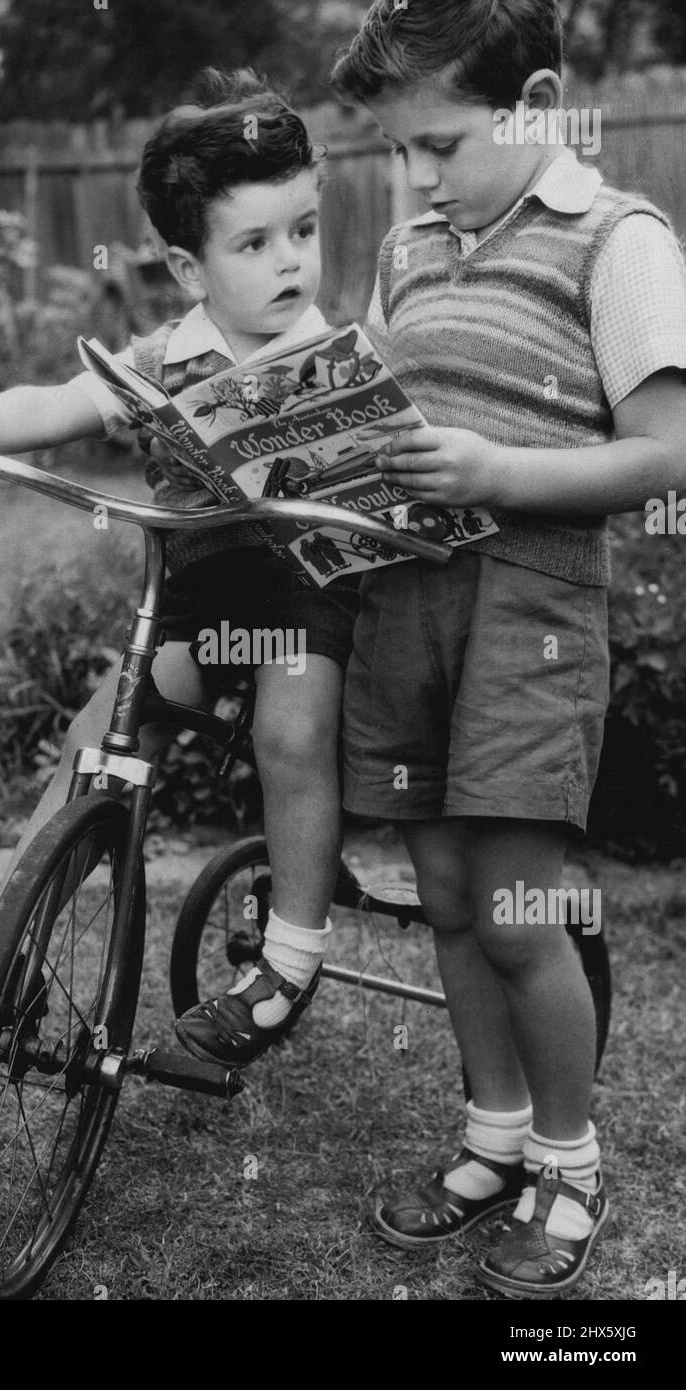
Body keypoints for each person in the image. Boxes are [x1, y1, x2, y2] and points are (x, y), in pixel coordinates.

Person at [0, 70, 358, 1067]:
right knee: (100, 744)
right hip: (195, 601)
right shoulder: (167, 360)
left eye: (303, 230)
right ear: (187, 264)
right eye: (254, 244)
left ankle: (290, 960)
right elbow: (46, 404)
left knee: (293, 732)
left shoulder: (338, 357)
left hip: (301, 592)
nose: (290, 261)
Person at [330, 0, 686, 1297]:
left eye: (437, 145)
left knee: (517, 903)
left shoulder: (616, 237)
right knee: (440, 895)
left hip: (528, 605)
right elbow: (368, 389)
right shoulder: (414, 243)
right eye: (398, 154)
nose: (415, 178)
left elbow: (662, 454)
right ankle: (487, 1142)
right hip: (404, 601)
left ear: (535, 98)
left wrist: (495, 467)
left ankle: (569, 1161)